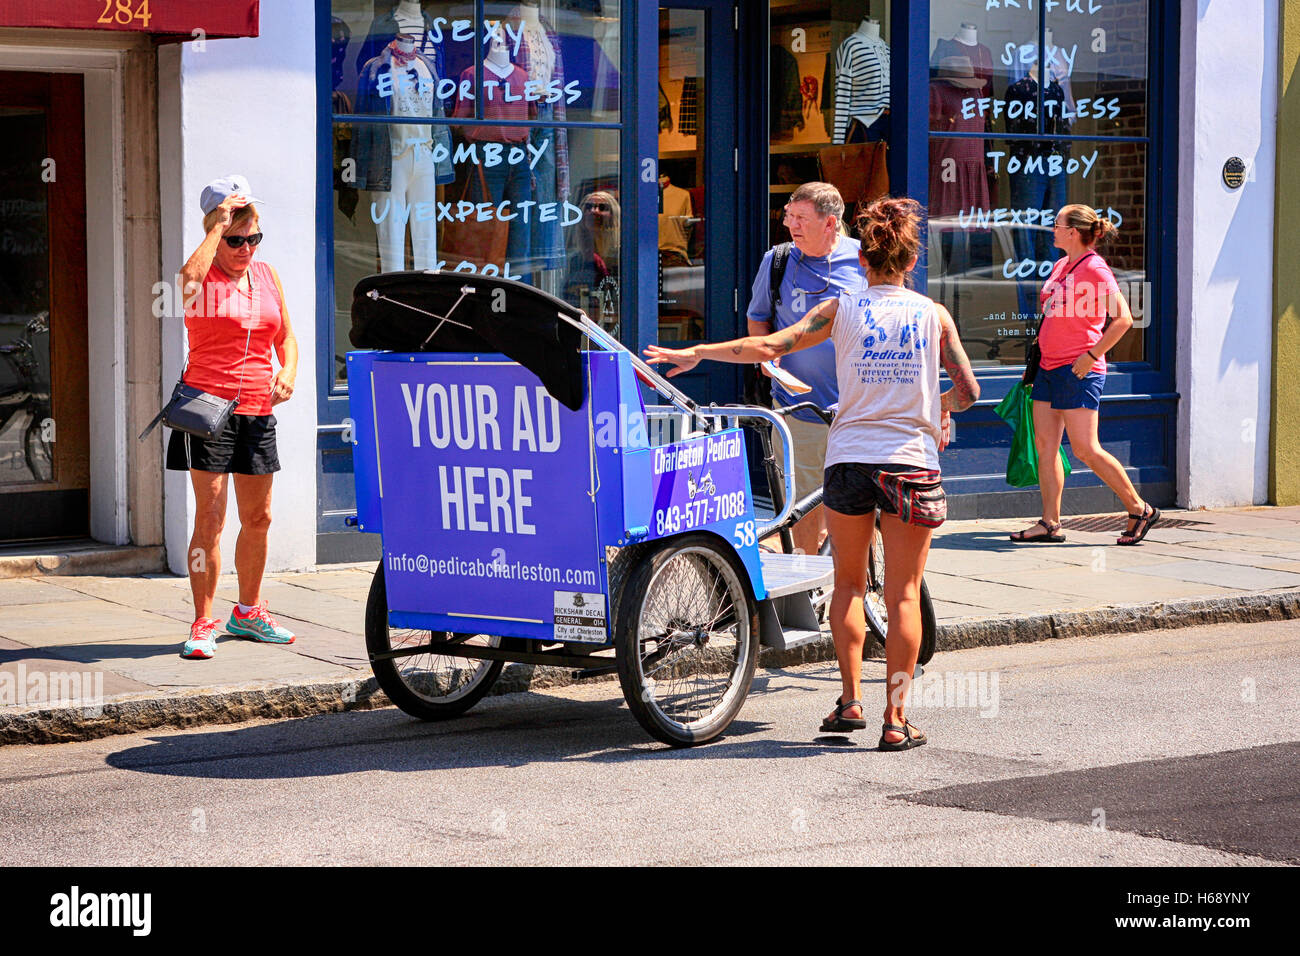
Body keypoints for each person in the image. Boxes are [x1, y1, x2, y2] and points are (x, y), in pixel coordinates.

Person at [647, 198, 979, 750]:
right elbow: (969, 392)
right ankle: (895, 721)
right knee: (903, 592)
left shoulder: (839, 309)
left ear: (864, 259)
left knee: (847, 584)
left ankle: (849, 701)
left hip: (849, 457)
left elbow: (772, 345)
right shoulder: (933, 315)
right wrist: (938, 405)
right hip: (910, 460)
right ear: (910, 259)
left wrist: (698, 352)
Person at [170, 175, 299, 660]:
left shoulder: (266, 275)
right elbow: (184, 285)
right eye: (235, 238)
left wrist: (287, 370)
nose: (246, 247)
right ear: (216, 232)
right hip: (208, 408)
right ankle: (203, 621)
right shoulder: (202, 280)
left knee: (259, 517)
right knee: (211, 517)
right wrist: (215, 228)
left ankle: (247, 613)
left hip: (257, 411)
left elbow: (286, 336)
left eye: (253, 237)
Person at [1010, 203, 1160, 546]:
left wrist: (1091, 355)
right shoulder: (1063, 265)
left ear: (1073, 232)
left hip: (1079, 370)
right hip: (1048, 367)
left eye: (1057, 224)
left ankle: (1139, 508)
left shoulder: (1095, 268)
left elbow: (1123, 318)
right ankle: (1049, 523)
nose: (1053, 230)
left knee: (1085, 449)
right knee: (1044, 446)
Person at [747, 182, 865, 555]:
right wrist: (766, 358)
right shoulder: (778, 260)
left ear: (830, 223)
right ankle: (809, 580)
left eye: (800, 218)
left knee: (857, 502)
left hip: (856, 406)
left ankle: (858, 584)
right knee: (804, 502)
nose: (790, 225)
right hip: (798, 408)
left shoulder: (864, 260)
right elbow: (758, 318)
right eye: (788, 216)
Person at [564, 190, 620, 328]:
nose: (594, 211)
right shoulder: (575, 260)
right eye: (588, 207)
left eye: (602, 208)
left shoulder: (621, 256)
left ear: (613, 216)